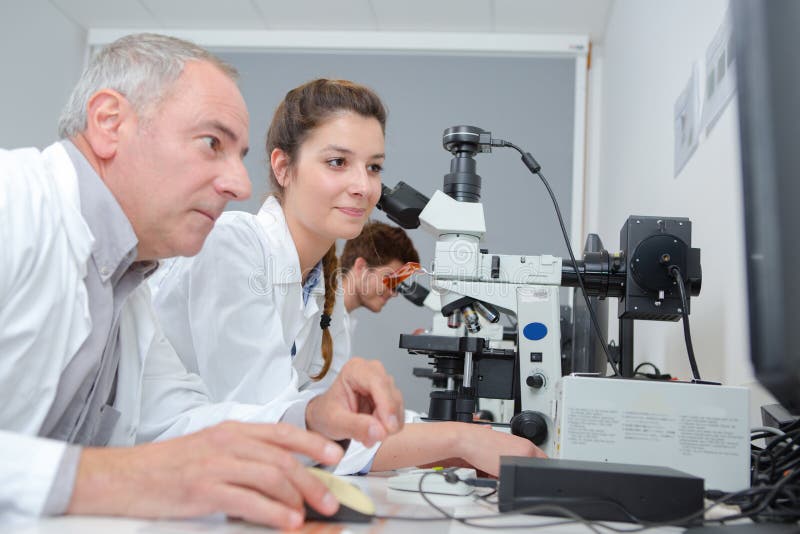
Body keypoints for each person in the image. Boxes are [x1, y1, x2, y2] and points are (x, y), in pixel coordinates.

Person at [0, 34, 404, 530]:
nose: (241, 184)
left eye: (238, 154)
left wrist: (311, 417)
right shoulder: (12, 204)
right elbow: (133, 465)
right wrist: (111, 478)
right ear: (109, 122)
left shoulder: (127, 290)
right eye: (212, 143)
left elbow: (176, 421)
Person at [152, 78, 544, 478]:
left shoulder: (325, 288)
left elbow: (338, 417)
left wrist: (453, 440)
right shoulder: (231, 245)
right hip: (161, 483)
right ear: (283, 167)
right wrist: (457, 441)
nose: (364, 187)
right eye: (338, 162)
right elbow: (282, 427)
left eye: (373, 167)